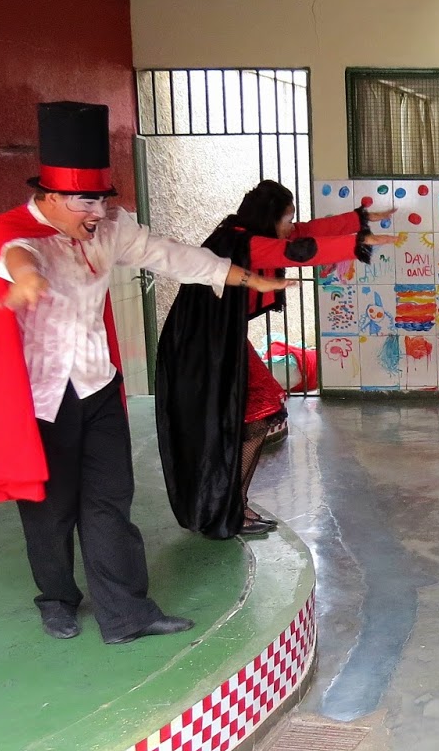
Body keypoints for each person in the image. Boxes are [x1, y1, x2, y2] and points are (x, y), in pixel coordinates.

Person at [0, 102, 292, 644]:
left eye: (99, 200)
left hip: (97, 387)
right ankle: (57, 599)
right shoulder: (15, 232)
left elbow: (170, 255)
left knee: (111, 501)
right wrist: (25, 282)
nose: (94, 212)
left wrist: (244, 278)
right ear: (47, 197)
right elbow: (18, 257)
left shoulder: (108, 229)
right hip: (45, 399)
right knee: (50, 508)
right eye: (81, 202)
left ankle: (126, 614)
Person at [155, 180, 398, 539]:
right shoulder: (245, 243)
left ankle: (232, 504)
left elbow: (304, 233)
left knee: (255, 414)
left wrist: (358, 219)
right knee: (262, 410)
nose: (290, 225)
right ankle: (229, 506)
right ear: (269, 218)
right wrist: (356, 243)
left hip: (219, 340)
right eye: (286, 218)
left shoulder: (248, 234)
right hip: (199, 348)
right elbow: (300, 250)